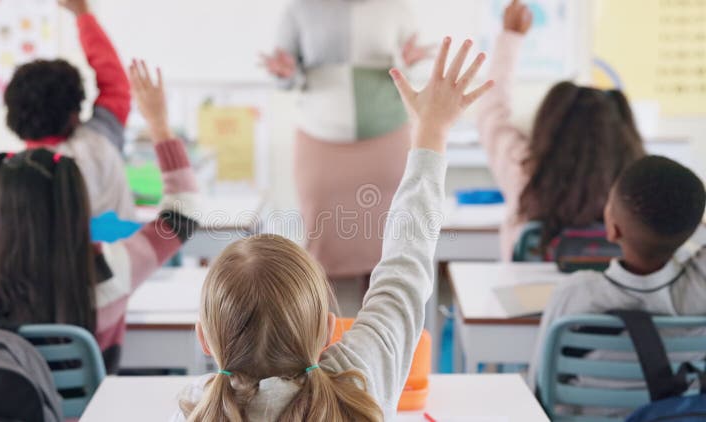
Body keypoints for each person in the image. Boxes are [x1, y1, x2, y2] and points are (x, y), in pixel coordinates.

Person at [175, 38, 493, 421]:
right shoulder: (362, 381)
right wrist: (431, 132)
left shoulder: (195, 412)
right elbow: (404, 272)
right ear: (329, 330)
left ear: (204, 339)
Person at [0, 61, 198, 372]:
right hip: (95, 403)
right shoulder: (111, 272)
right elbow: (184, 214)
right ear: (76, 204)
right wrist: (159, 124)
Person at [261, 0, 434, 282]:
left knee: (390, 244)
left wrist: (407, 64)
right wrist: (286, 73)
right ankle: (319, 310)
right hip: (320, 138)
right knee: (320, 247)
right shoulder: (300, 10)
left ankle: (386, 310)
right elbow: (285, 76)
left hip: (386, 137)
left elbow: (412, 75)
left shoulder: (396, 9)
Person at [528, 156, 706, 409]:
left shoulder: (575, 293)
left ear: (613, 229)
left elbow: (539, 385)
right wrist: (686, 227)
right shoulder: (701, 285)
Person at [477, 0, 645, 259]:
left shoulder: (524, 171)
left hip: (527, 287)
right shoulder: (636, 185)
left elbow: (492, 112)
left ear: (548, 127)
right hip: (613, 288)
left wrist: (510, 38)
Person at [3, 0, 135, 219]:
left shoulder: (15, 175)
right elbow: (114, 81)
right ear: (73, 115)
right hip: (125, 242)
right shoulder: (99, 142)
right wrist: (82, 14)